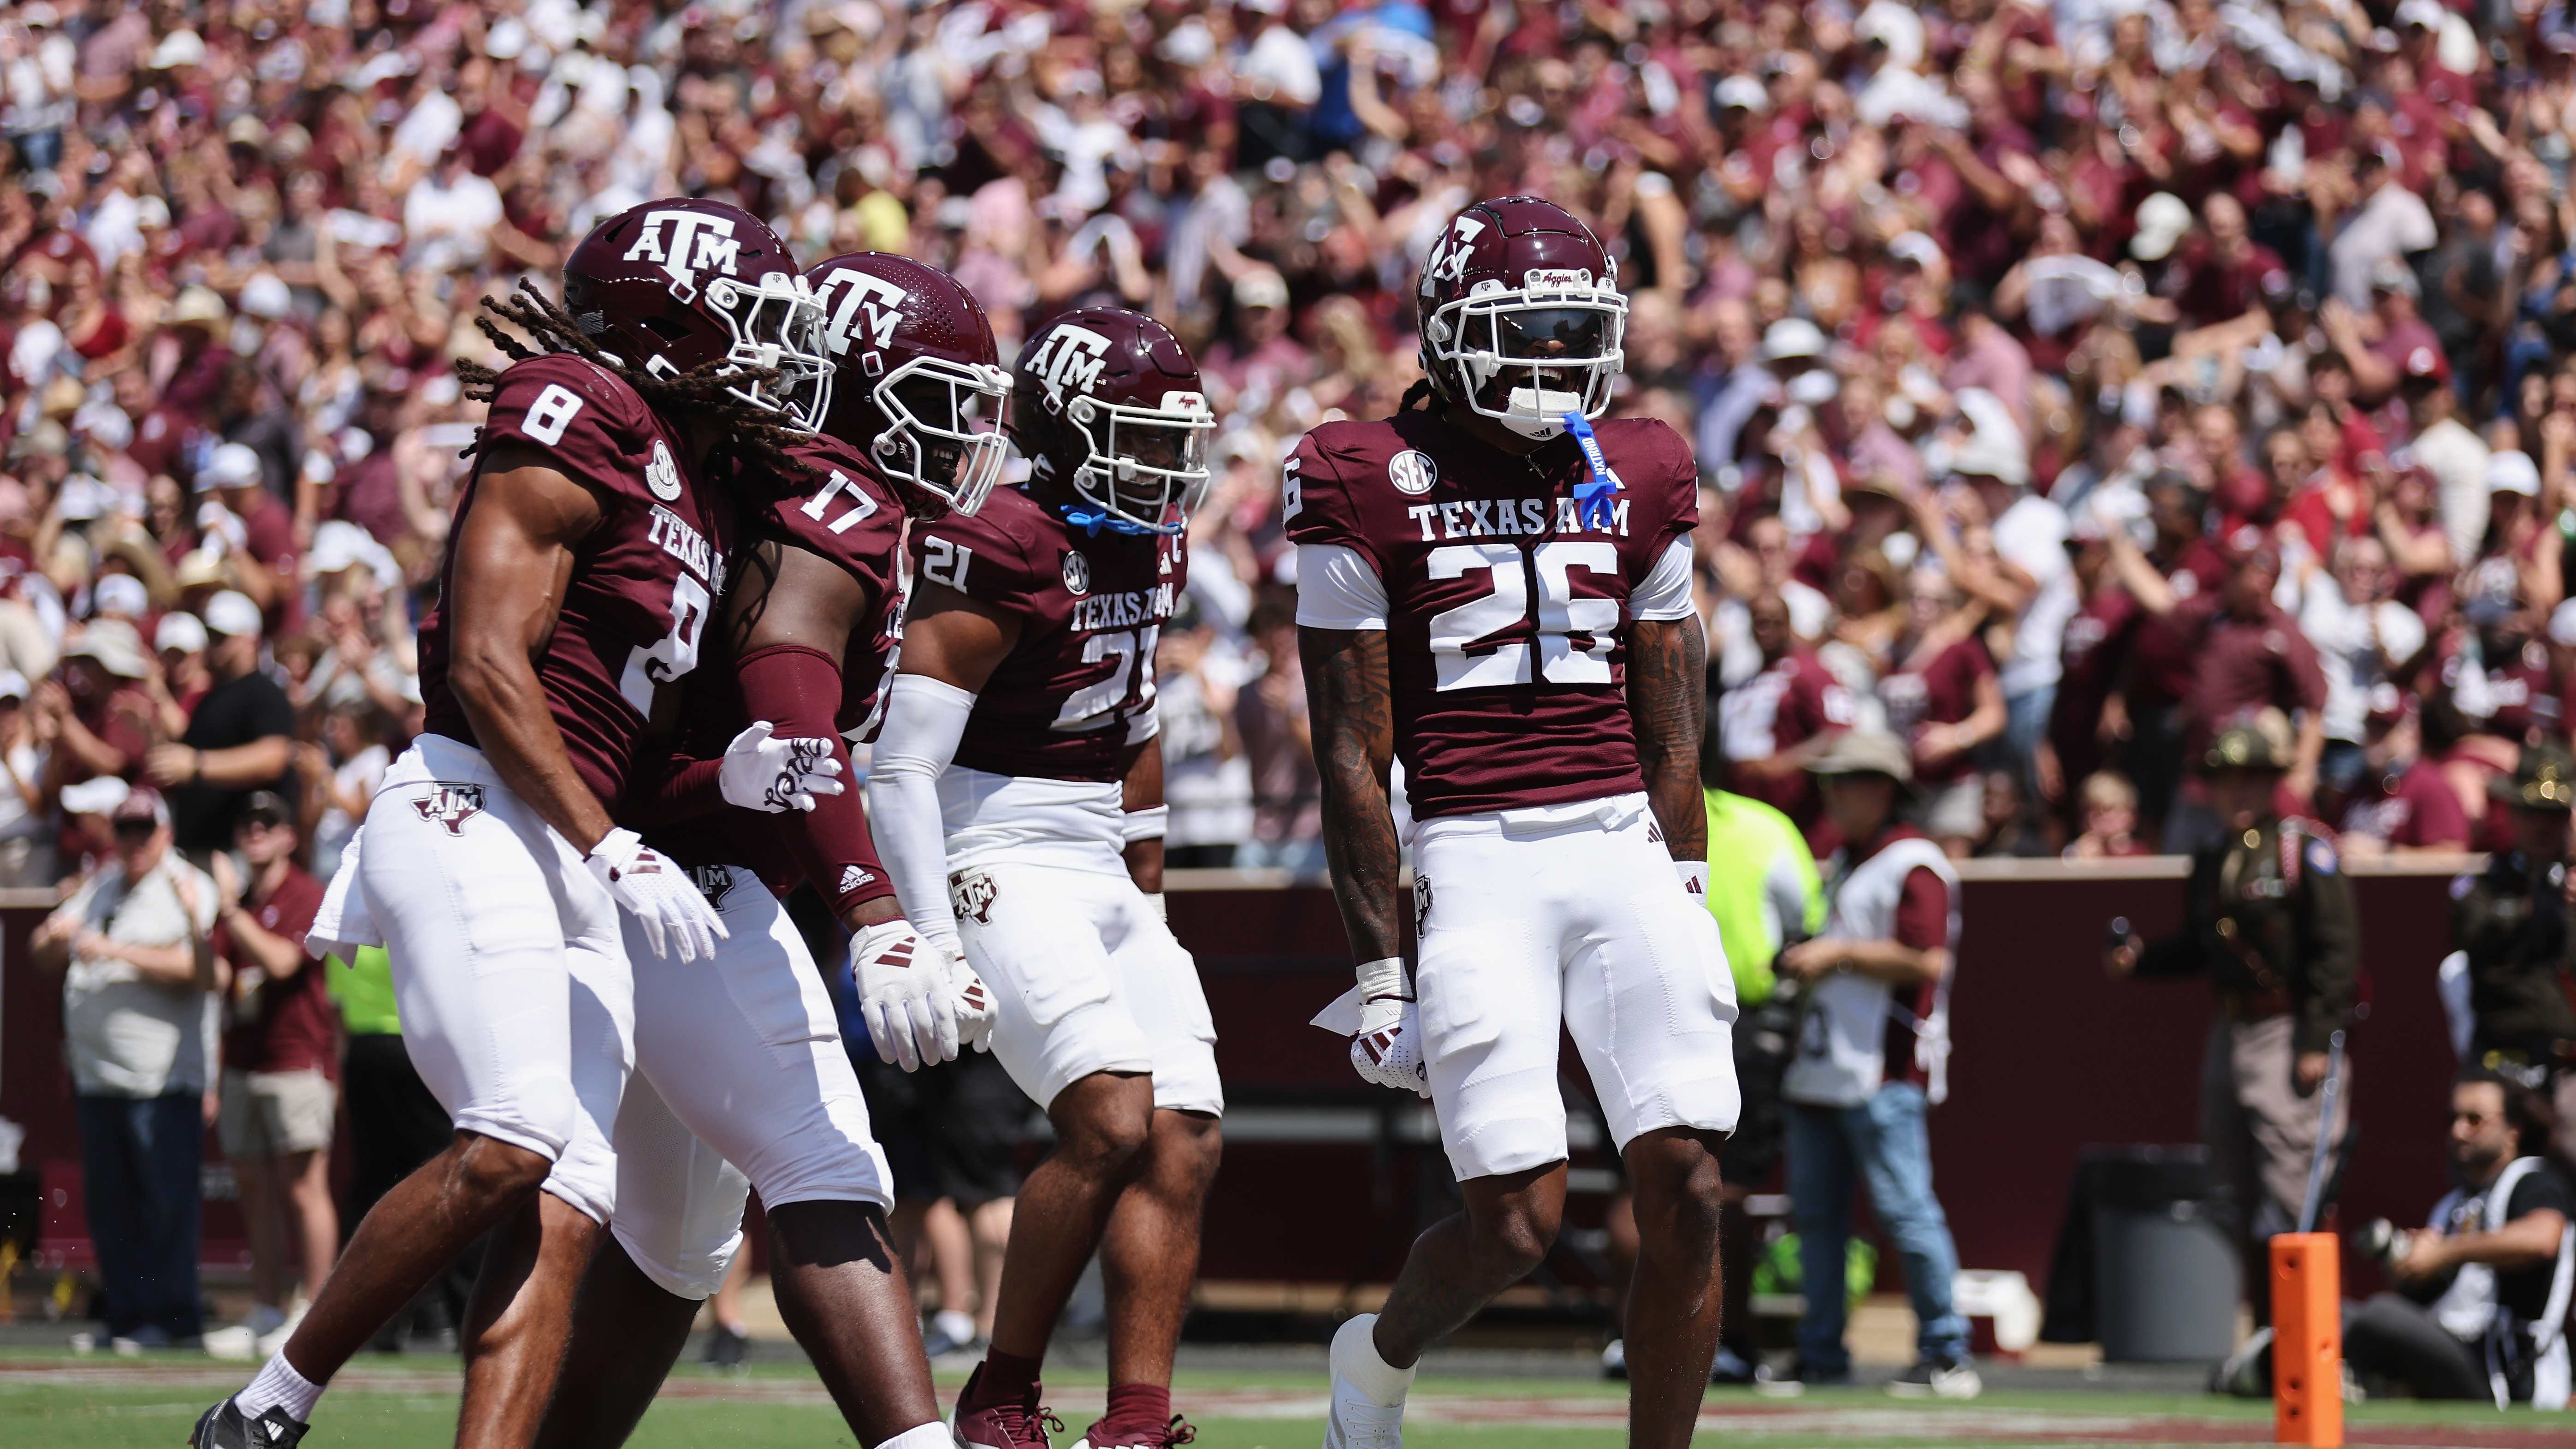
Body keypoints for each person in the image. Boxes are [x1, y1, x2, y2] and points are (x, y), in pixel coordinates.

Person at [191, 199, 831, 1449]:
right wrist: (610, 842)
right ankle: (270, 1399)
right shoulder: (575, 406)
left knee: (573, 1197)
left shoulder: (693, 471)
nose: (766, 351)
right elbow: (488, 666)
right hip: (472, 801)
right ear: (667, 316)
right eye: (746, 322)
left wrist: (718, 784)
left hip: (575, 840)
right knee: (517, 1136)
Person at [533, 250, 1006, 1449]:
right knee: (823, 1160)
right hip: (675, 871)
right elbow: (792, 712)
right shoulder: (827, 496)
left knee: (674, 1242)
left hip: (652, 855)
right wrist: (878, 913)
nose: (960, 438)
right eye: (938, 399)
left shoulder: (797, 484)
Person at [1289, 197, 1736, 1449]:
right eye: (1520, 328)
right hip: (1472, 848)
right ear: (1442, 331)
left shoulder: (1640, 461)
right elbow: (1349, 748)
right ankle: (1373, 1360)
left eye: (1570, 329)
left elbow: (1672, 721)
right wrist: (1380, 966)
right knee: (1517, 1222)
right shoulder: (1358, 470)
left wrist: (1685, 890)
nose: (1550, 357)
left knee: (1691, 1183)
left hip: (1618, 843)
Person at [867, 307, 1225, 1449]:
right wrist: (925, 930)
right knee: (1110, 1115)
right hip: (993, 841)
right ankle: (1000, 1391)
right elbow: (904, 762)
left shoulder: (1148, 536)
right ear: (1066, 430)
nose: (1165, 468)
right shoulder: (1004, 537)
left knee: (1187, 1132)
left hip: (1098, 854)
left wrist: (1150, 883)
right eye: (1138, 437)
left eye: (1175, 442)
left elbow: (1138, 708)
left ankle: (1134, 1416)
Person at [1758, 730, 1978, 1399]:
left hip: (1882, 1070)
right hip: (1822, 1069)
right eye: (1829, 781)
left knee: (1905, 1211)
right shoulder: (1844, 859)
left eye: (1846, 780)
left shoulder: (1914, 861)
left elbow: (1929, 960)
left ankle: (1945, 1352)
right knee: (1818, 1221)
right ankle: (1820, 1350)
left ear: (1883, 788)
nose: (1832, 793)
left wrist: (1836, 954)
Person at [2112, 714, 2360, 1293]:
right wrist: (2142, 959)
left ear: (2271, 783)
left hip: (2287, 1026)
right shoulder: (2212, 854)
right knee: (2231, 1182)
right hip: (2230, 1027)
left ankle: (2313, 1335)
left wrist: (2316, 1037)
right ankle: (2263, 1335)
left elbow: (2336, 949)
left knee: (2293, 1186)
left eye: (2251, 779)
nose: (2239, 791)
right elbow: (2202, 946)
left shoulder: (2302, 848)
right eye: (2228, 779)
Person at [1605, 780, 1824, 1384]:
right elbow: (1805, 921)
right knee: (1718, 1192)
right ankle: (1717, 1340)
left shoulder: (1611, 815)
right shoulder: (1762, 826)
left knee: (1639, 1186)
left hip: (1630, 1017)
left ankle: (1632, 1335)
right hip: (1732, 1022)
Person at [31, 787, 220, 1350]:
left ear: (165, 832)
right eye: (126, 830)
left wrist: (115, 952)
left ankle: (174, 1315)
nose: (134, 841)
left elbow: (198, 968)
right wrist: (51, 938)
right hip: (98, 1074)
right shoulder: (100, 884)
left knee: (164, 1202)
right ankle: (126, 1315)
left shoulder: (188, 885)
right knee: (111, 1205)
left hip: (159, 1076)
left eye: (145, 829)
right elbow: (43, 954)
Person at [202, 792, 337, 1363]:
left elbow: (283, 963)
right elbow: (217, 978)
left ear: (288, 836)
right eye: (247, 823)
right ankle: (265, 1306)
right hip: (243, 1061)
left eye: (268, 824)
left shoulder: (305, 893)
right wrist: (199, 911)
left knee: (305, 1188)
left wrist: (230, 910)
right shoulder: (235, 903)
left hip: (295, 1061)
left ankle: (317, 1309)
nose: (255, 831)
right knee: (254, 1193)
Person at [2352, 1069, 2573, 1406]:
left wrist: (2445, 1252)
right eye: (2452, 1119)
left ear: (2512, 1130)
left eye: (2474, 1120)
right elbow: (2428, 1301)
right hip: (2455, 1351)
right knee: (2338, 1315)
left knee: (2381, 1315)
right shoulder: (2451, 1204)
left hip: (2508, 1374)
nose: (2458, 1131)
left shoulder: (2532, 1180)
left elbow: (2541, 1239)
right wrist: (2410, 1265)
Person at [2444, 743, 2576, 1160]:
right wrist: (2533, 903)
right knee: (2476, 1139)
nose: (2543, 828)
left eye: (2554, 816)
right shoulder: (2484, 887)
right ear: (2512, 814)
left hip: (2571, 1067)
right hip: (2506, 1062)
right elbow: (2475, 936)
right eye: (2532, 813)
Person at [147, 588, 296, 859]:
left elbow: (274, 756)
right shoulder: (211, 698)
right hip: (199, 850)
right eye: (210, 636)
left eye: (222, 636)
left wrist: (197, 765)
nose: (214, 643)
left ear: (251, 638)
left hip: (240, 854)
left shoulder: (265, 693)